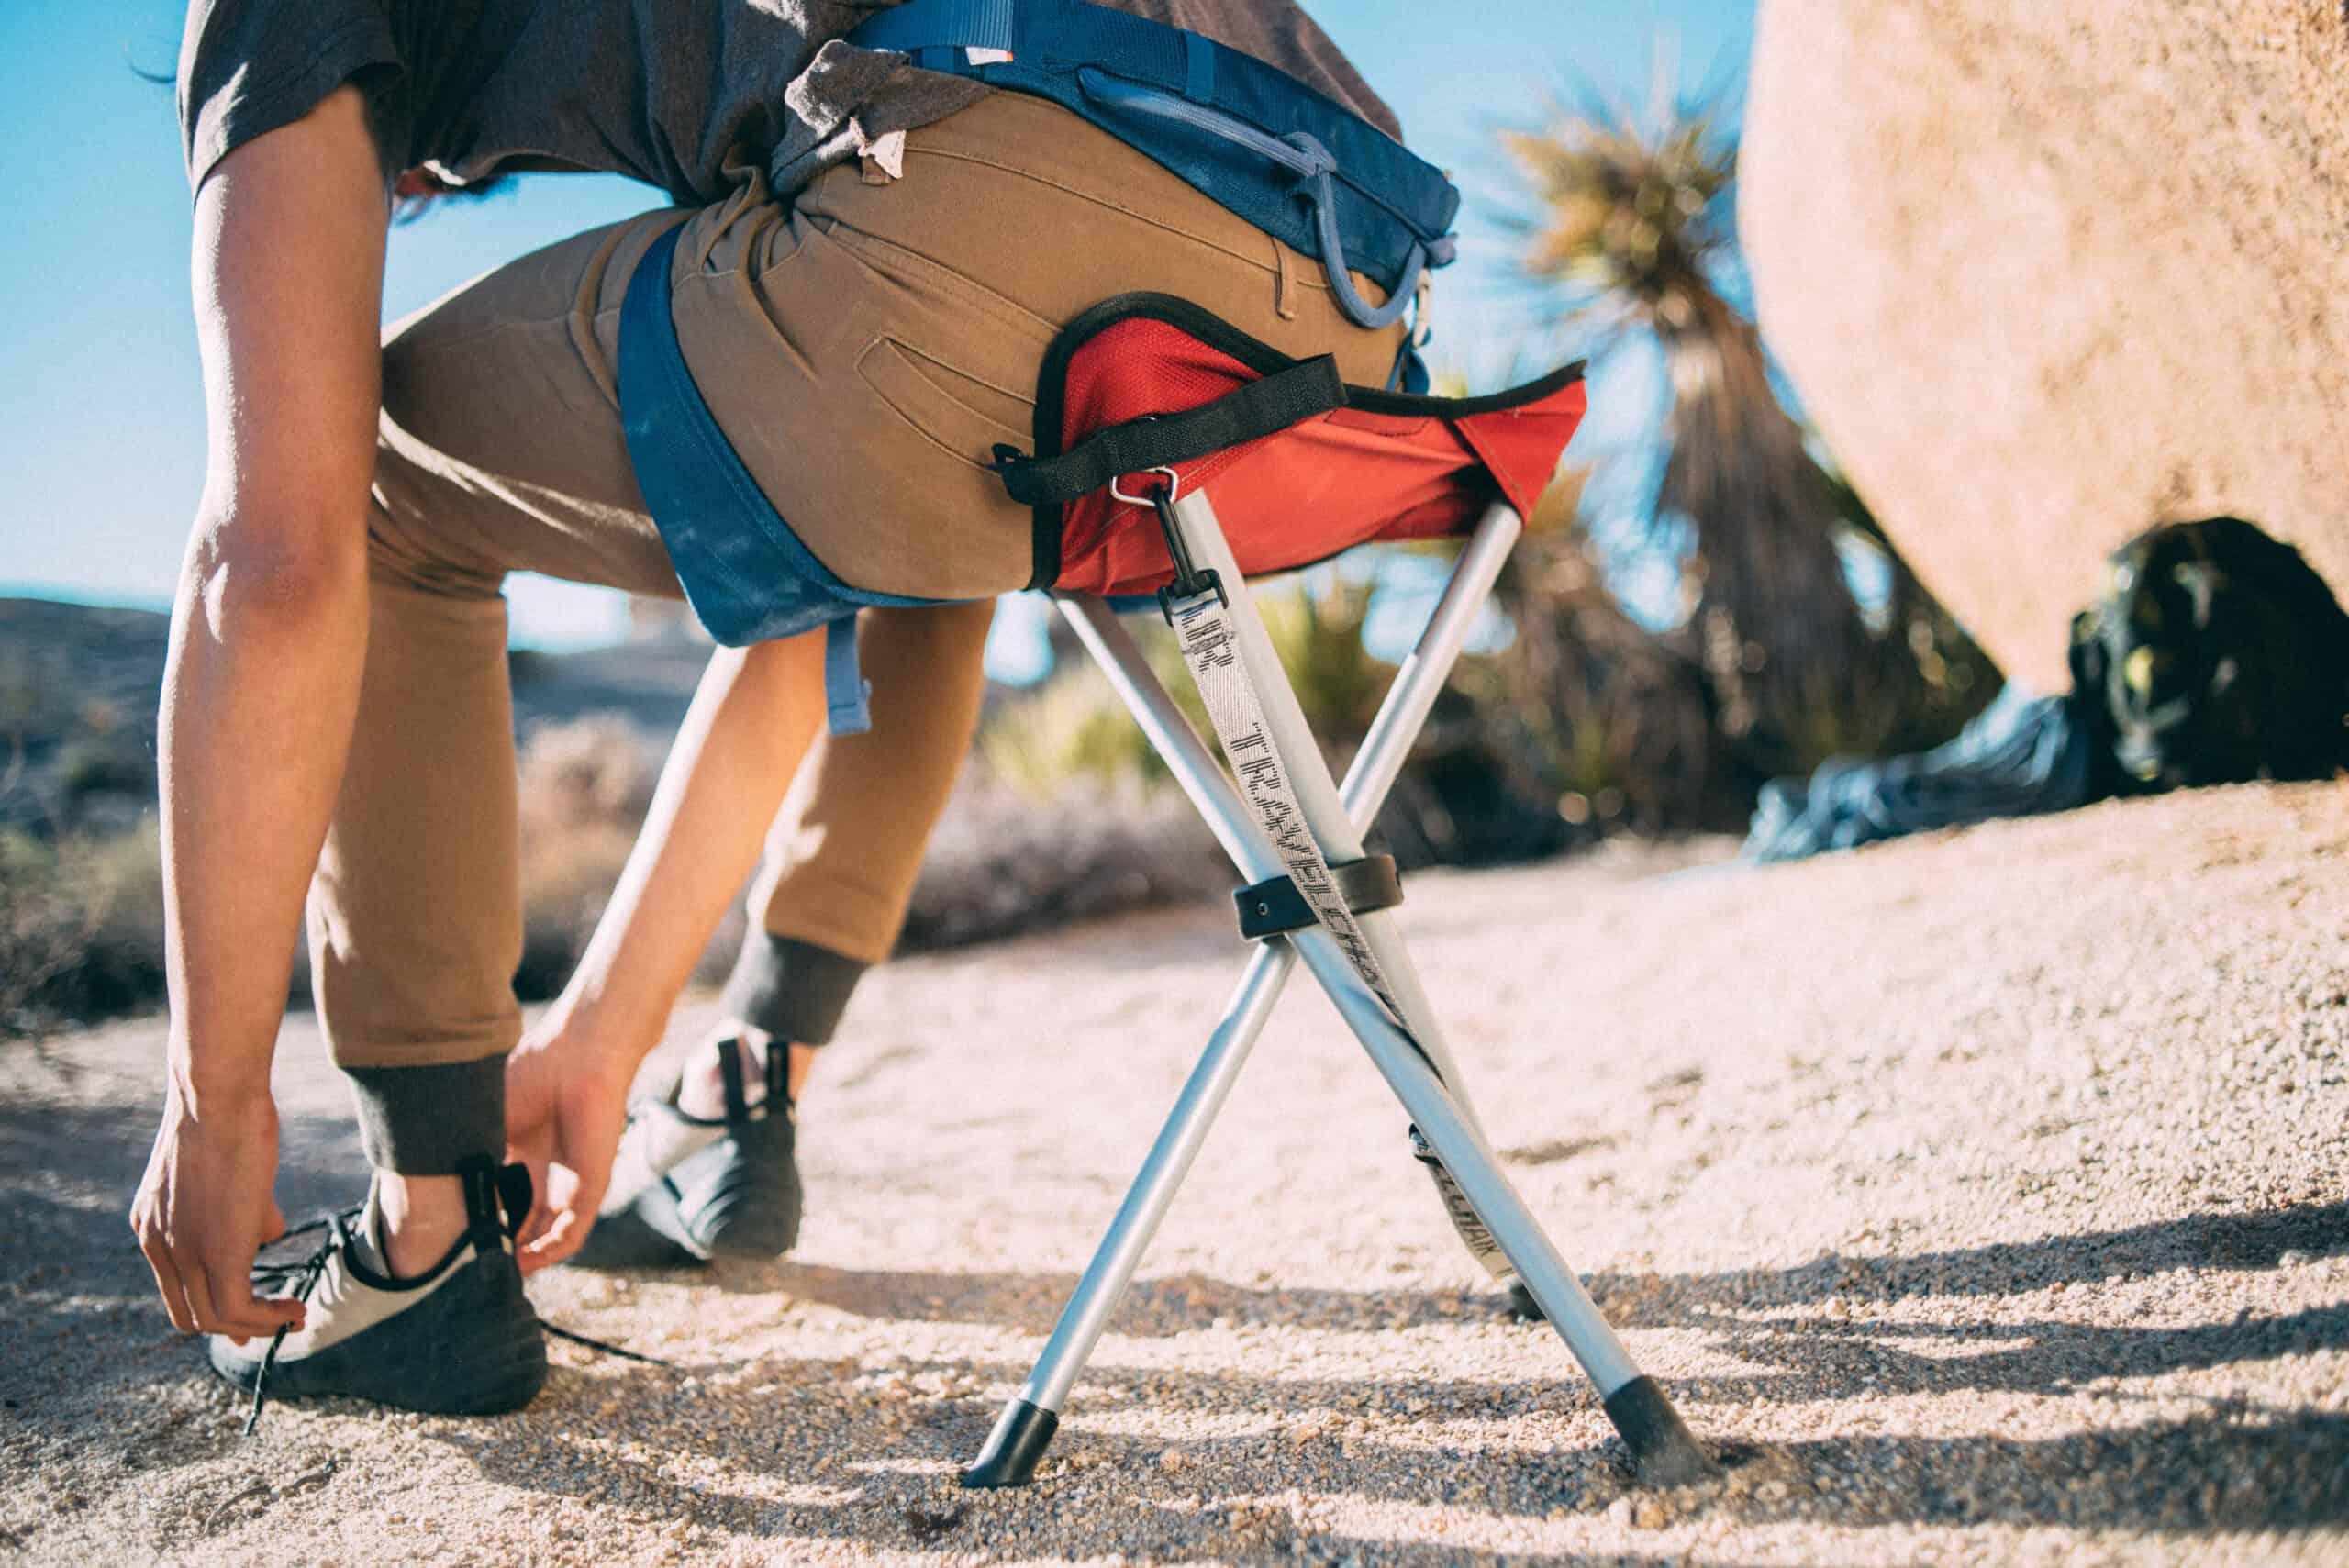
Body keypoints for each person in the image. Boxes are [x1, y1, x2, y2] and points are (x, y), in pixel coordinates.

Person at [131, 0, 1411, 1417]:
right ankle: (746, 1081)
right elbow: (805, 604)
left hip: (1004, 190)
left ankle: (428, 1231)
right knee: (920, 487)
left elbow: (271, 562)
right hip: (1348, 304)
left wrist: (211, 1097)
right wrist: (600, 1037)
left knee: (366, 464)